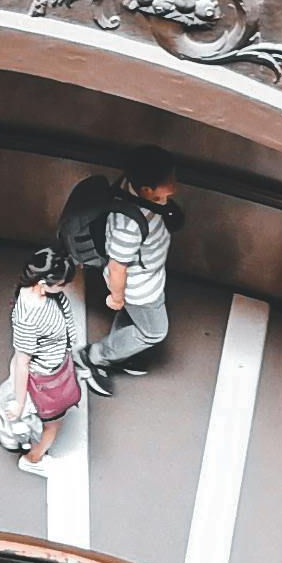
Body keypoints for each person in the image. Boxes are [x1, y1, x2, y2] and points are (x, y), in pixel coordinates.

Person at [0, 247, 87, 473]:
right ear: (43, 283)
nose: (66, 287)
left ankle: (10, 432)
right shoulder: (30, 317)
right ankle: (33, 459)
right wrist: (21, 401)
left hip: (48, 368)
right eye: (62, 283)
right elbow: (23, 361)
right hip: (45, 375)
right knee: (53, 424)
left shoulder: (37, 294)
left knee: (16, 406)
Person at [87, 156, 181, 390]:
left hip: (148, 277)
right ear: (147, 190)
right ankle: (97, 356)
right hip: (140, 288)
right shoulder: (128, 226)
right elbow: (118, 267)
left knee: (132, 319)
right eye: (168, 181)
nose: (174, 184)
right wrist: (117, 297)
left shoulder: (133, 189)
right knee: (154, 331)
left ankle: (121, 351)